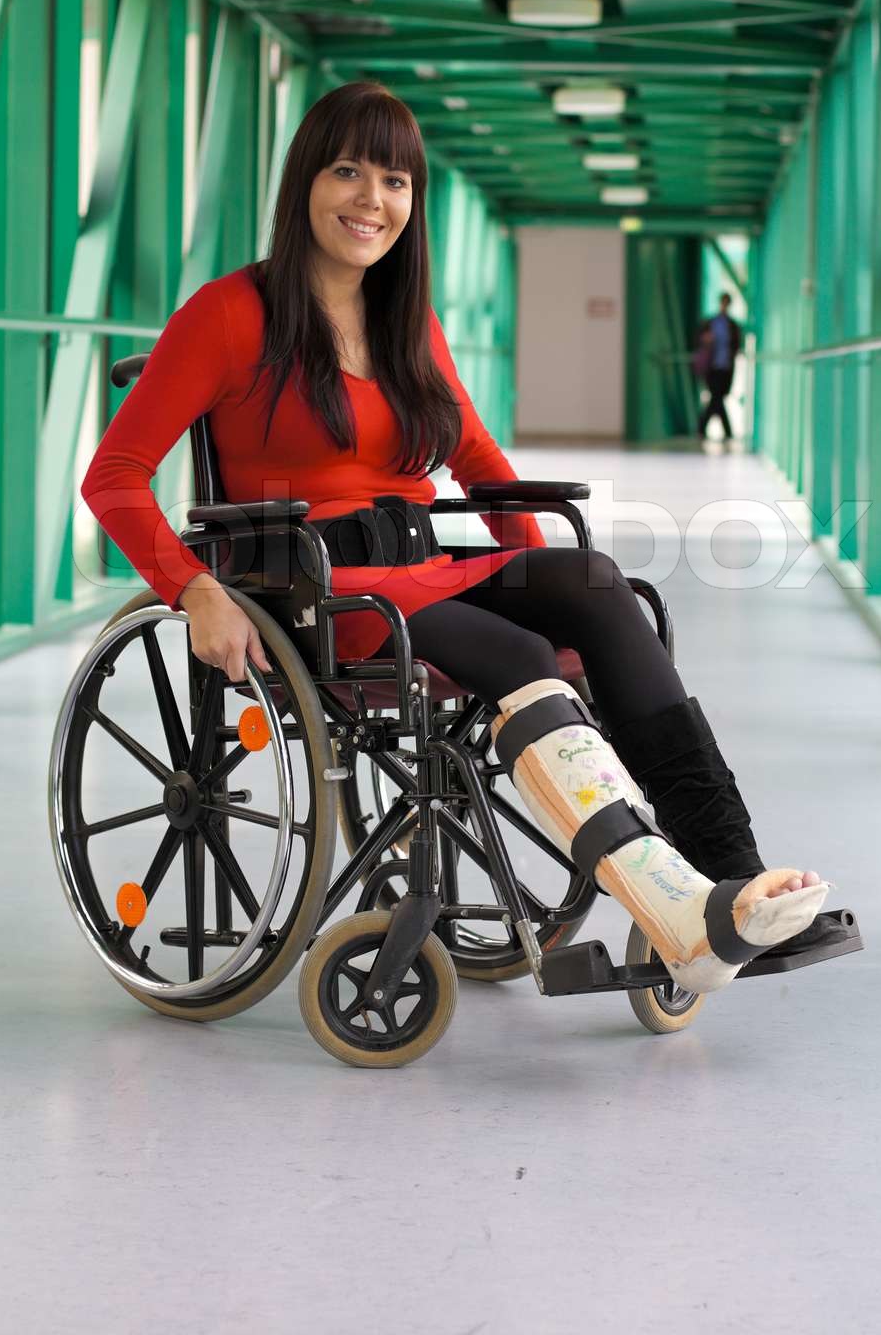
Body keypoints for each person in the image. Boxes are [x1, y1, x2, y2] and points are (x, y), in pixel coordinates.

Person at [81, 81, 834, 981]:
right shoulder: (230, 313)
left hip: (421, 565)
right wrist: (194, 588)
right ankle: (675, 909)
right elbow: (114, 477)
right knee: (512, 653)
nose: (372, 200)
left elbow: (480, 466)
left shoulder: (406, 323)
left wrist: (554, 582)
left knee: (595, 586)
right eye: (349, 172)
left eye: (395, 181)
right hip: (318, 590)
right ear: (303, 184)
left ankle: (733, 879)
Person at [696, 291, 741, 441]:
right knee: (716, 397)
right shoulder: (711, 323)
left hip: (726, 366)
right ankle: (724, 431)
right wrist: (707, 340)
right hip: (712, 366)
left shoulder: (733, 325)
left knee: (717, 398)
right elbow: (699, 340)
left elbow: (736, 346)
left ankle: (702, 428)